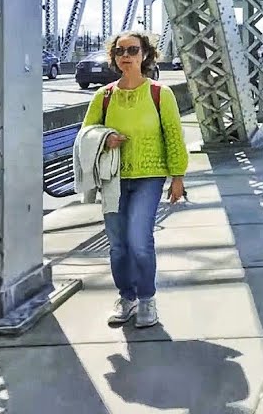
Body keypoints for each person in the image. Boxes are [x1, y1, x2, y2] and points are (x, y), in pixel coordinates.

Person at [81, 29, 188, 328]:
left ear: (145, 55)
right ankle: (126, 297)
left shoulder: (159, 93)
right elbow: (85, 134)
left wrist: (177, 176)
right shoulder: (103, 97)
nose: (126, 56)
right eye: (120, 51)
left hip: (149, 177)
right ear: (113, 58)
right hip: (113, 178)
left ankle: (146, 299)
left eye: (132, 50)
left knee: (139, 241)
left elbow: (174, 137)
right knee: (118, 245)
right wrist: (106, 137)